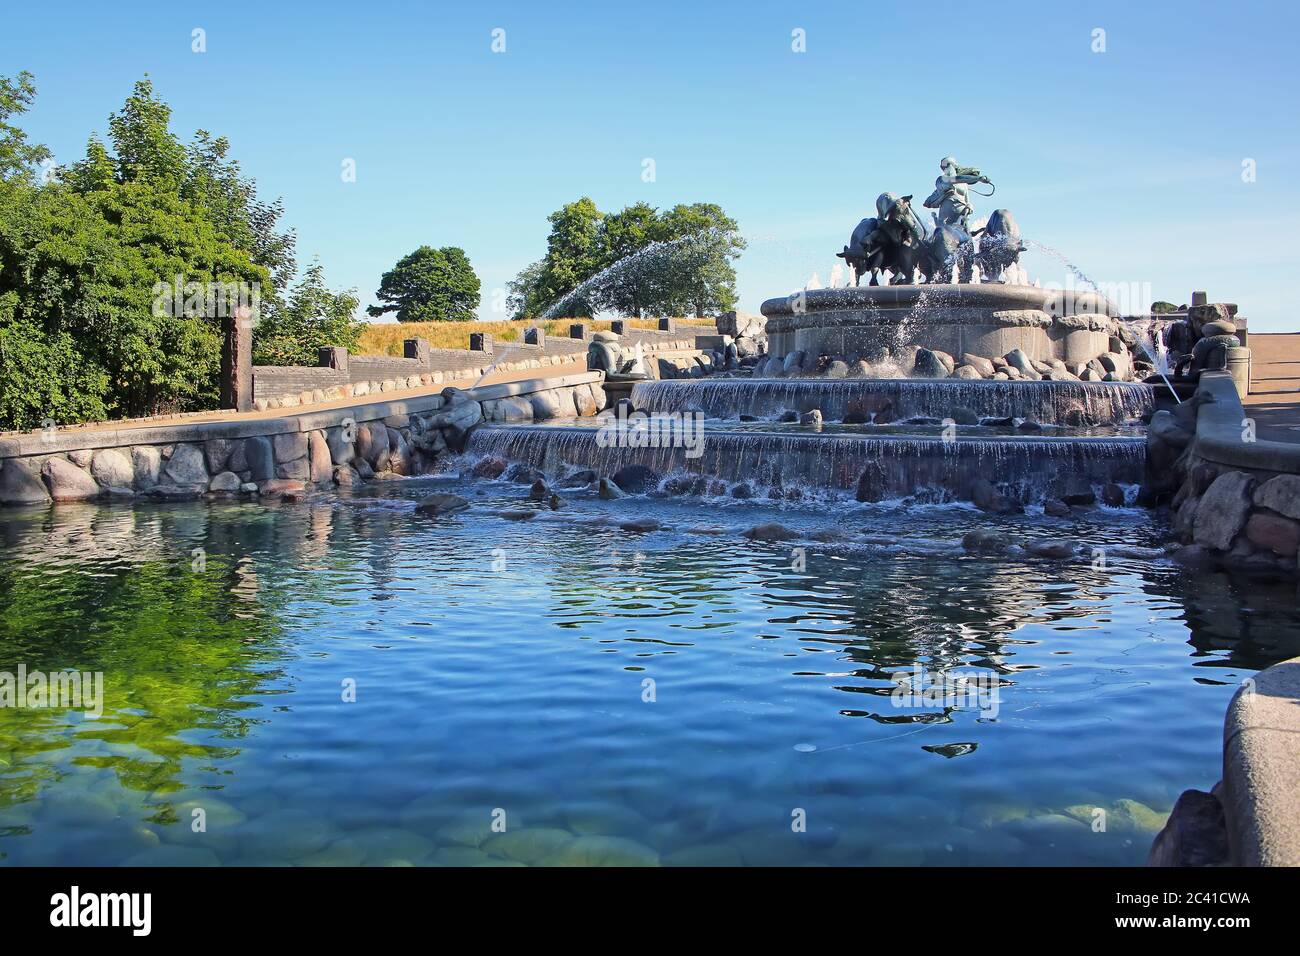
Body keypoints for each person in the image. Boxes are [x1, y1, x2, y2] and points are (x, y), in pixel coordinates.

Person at [923, 157, 990, 235]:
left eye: (950, 166)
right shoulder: (941, 180)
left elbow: (967, 201)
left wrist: (969, 207)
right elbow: (927, 203)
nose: (949, 168)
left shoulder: (964, 184)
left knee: (967, 238)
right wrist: (978, 178)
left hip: (962, 221)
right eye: (947, 166)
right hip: (946, 222)